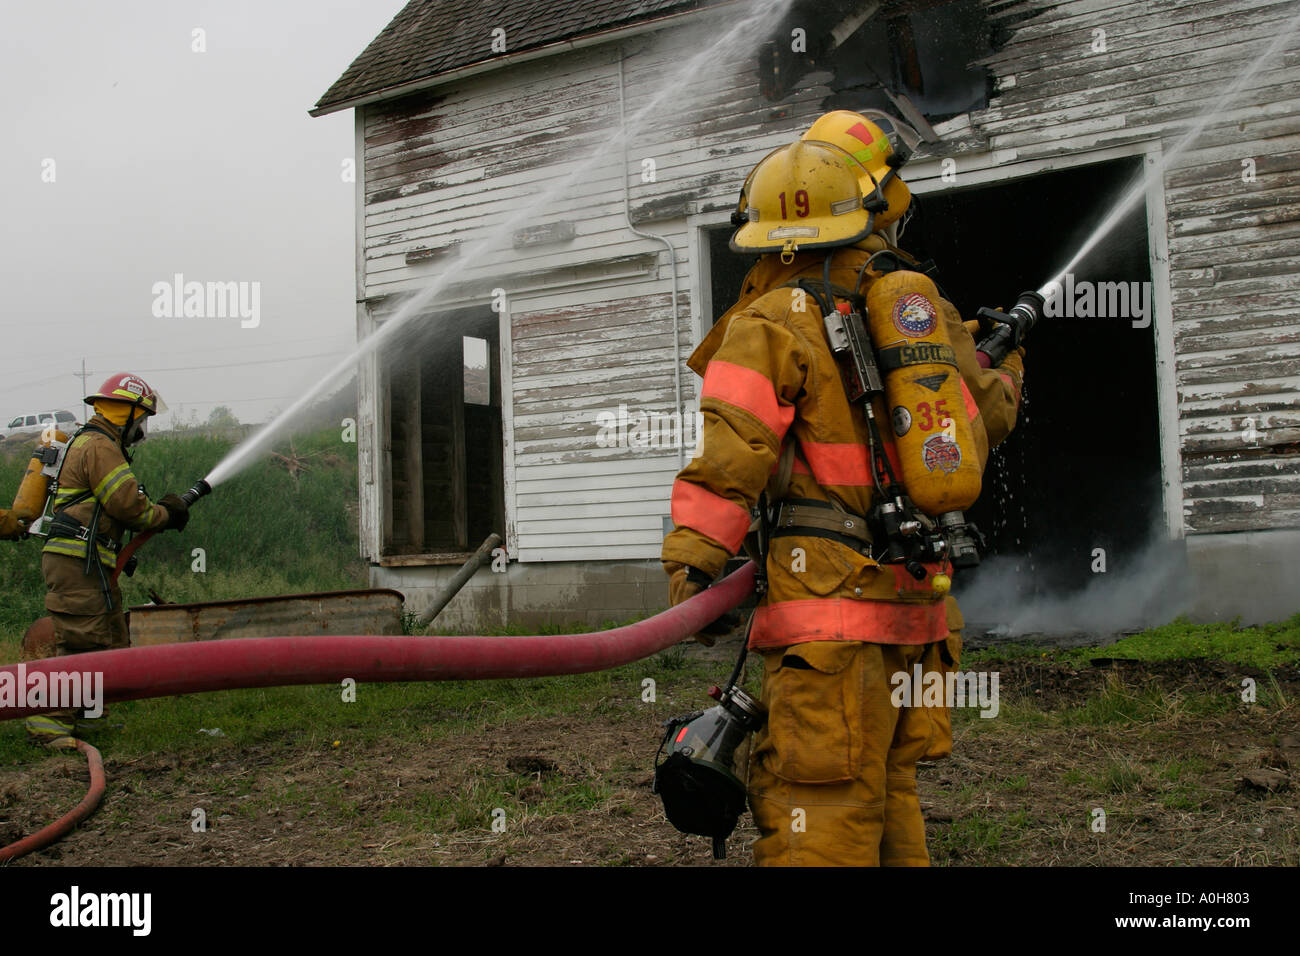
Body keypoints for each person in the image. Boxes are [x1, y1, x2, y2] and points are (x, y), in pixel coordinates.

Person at [661, 111, 1026, 866]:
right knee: (888, 790)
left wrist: (693, 567)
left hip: (826, 618)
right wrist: (1007, 359)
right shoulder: (920, 309)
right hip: (915, 609)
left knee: (818, 807)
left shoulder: (767, 321)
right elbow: (984, 413)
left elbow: (735, 450)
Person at [24, 373, 191, 743]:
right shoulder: (99, 446)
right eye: (142, 418)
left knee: (107, 641)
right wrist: (166, 514)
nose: (143, 428)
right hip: (75, 562)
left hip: (89, 562)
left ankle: (91, 720)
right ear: (126, 413)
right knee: (81, 642)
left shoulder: (98, 443)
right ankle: (49, 723)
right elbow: (128, 506)